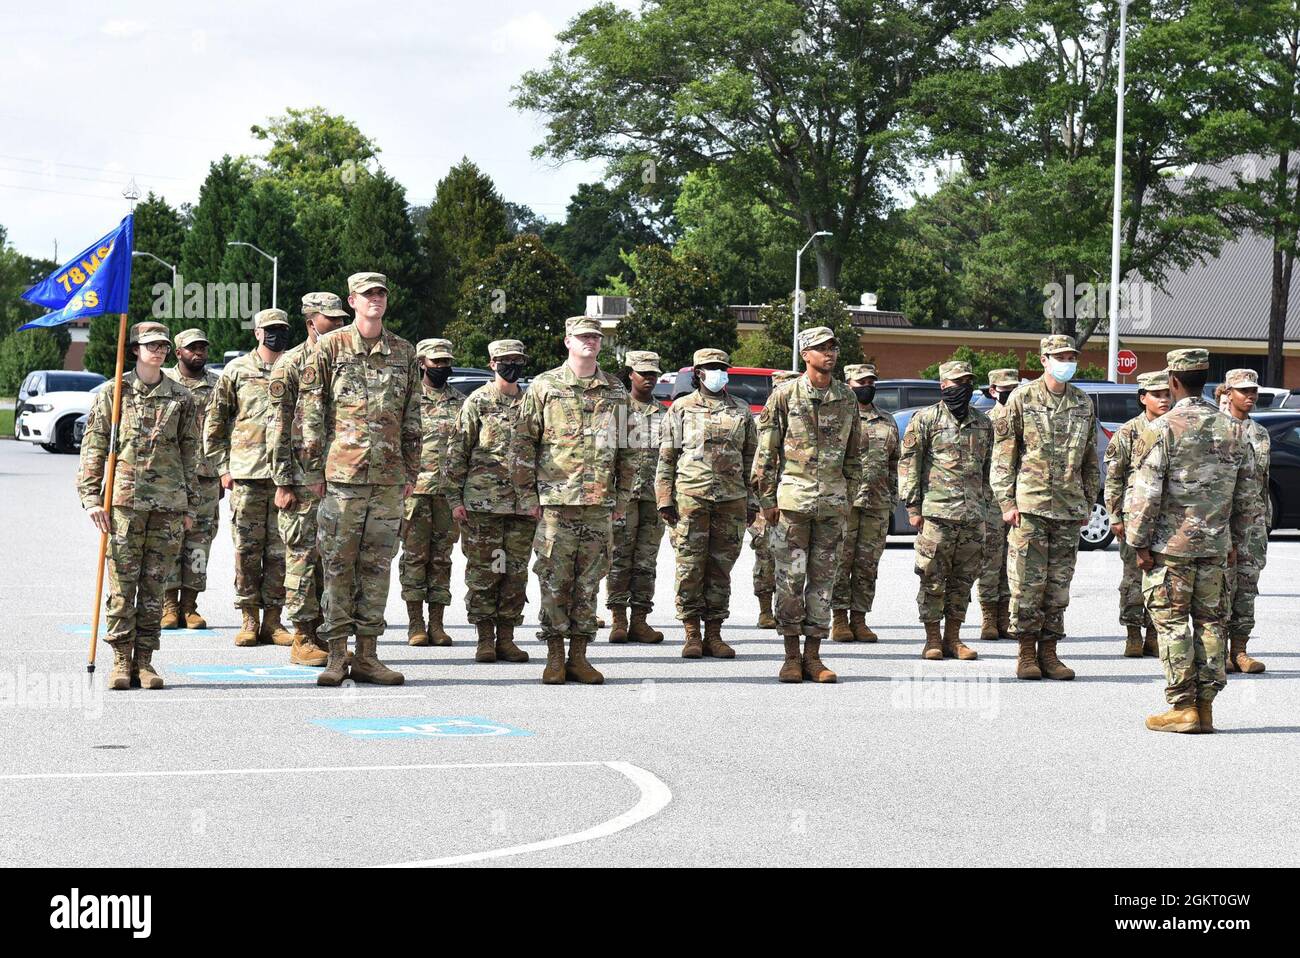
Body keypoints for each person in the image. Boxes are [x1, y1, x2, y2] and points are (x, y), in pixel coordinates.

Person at [1125, 350, 1258, 733]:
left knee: (1171, 625)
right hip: (1216, 547)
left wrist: (1139, 543)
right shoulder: (1234, 429)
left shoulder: (1163, 428)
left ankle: (1183, 706)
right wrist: (1235, 540)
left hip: (1172, 549)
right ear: (1206, 379)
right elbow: (1248, 496)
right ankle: (1206, 707)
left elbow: (1147, 493)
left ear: (1173, 381)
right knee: (1212, 623)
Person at [299, 272, 422, 687]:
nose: (376, 300)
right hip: (342, 478)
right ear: (352, 301)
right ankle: (336, 654)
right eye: (368, 295)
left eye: (381, 294)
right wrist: (313, 471)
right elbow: (311, 413)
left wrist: (411, 470)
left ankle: (368, 654)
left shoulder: (404, 352)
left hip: (388, 480)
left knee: (376, 566)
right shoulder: (331, 348)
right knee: (337, 565)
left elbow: (412, 417)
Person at [77, 322, 199, 689]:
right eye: (151, 345)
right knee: (122, 585)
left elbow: (191, 454)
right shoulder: (114, 393)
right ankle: (119, 659)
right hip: (124, 507)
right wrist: (90, 498)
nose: (159, 350)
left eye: (163, 345)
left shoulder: (181, 397)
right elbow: (94, 447)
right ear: (135, 349)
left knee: (154, 588)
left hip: (167, 507)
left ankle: (144, 661)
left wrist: (191, 506)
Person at [517, 316, 634, 685]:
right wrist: (526, 495)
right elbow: (522, 443)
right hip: (556, 502)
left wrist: (623, 497)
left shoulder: (616, 390)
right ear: (567, 340)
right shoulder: (545, 386)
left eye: (596, 338)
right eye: (583, 337)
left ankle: (580, 655)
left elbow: (630, 449)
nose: (591, 342)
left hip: (599, 503)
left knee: (589, 581)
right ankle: (554, 655)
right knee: (553, 579)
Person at [752, 327, 861, 684]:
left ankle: (814, 656)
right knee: (789, 580)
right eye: (820, 348)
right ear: (805, 354)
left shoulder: (847, 398)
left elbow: (854, 456)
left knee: (823, 582)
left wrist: (848, 496)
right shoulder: (783, 397)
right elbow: (766, 454)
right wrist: (767, 501)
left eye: (833, 347)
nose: (829, 354)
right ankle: (790, 657)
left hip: (831, 507)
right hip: (793, 506)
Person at [990, 335, 1100, 680]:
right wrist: (1006, 502)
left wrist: (1087, 500)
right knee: (1026, 583)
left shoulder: (1083, 402)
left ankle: (1050, 652)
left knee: (1058, 585)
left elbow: (1089, 459)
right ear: (1044, 360)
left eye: (1072, 355)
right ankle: (1026, 653)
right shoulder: (1022, 399)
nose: (1068, 361)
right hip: (1031, 506)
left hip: (1068, 509)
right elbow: (1003, 456)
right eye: (1061, 356)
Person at [657, 348, 757, 658]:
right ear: (699, 373)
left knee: (720, 568)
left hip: (731, 500)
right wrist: (664, 498)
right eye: (712, 367)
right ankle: (691, 634)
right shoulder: (681, 408)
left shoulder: (741, 410)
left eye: (722, 367)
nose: (718, 372)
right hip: (691, 498)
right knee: (690, 566)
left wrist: (752, 500)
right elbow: (667, 456)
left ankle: (714, 633)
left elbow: (751, 458)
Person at [267, 292, 351, 667]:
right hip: (301, 479)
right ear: (310, 321)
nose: (336, 324)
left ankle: (327, 633)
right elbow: (278, 426)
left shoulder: (346, 358)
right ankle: (302, 635)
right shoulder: (291, 364)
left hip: (340, 476)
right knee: (302, 554)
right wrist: (283, 481)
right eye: (329, 319)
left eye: (339, 318)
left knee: (335, 557)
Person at [206, 308, 293, 647]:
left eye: (281, 329)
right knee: (246, 550)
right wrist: (222, 467)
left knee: (281, 551)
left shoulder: (295, 367)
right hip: (247, 474)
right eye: (270, 329)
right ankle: (248, 617)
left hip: (286, 475)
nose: (275, 334)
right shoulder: (237, 370)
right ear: (257, 332)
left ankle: (274, 620)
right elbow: (215, 421)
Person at [445, 339, 536, 664]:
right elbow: (457, 452)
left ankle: (507, 638)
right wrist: (454, 497)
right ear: (492, 362)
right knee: (485, 572)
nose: (511, 365)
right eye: (505, 360)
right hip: (482, 506)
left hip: (523, 507)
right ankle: (485, 638)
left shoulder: (531, 405)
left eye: (517, 360)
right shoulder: (478, 402)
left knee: (514, 574)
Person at [897, 361, 991, 660]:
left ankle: (954, 637)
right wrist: (913, 507)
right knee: (932, 578)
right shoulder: (925, 419)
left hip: (972, 515)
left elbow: (989, 470)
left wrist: (987, 507)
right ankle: (932, 639)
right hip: (936, 514)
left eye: (967, 383)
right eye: (956, 383)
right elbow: (910, 464)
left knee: (964, 580)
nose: (961, 388)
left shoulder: (983, 423)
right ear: (943, 385)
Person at [398, 338, 465, 650]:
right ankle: (415, 623)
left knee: (442, 560)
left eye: (446, 362)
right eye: (436, 362)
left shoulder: (460, 402)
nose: (442, 367)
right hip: (415, 493)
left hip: (447, 494)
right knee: (414, 559)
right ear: (421, 363)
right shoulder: (408, 400)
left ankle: (437, 624)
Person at [1103, 370, 1170, 657]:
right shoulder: (1128, 432)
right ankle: (1133, 633)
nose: (1164, 399)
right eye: (1157, 394)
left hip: (1169, 517)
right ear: (1143, 398)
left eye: (1167, 394)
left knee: (1163, 579)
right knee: (1133, 577)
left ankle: (1154, 634)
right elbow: (1113, 477)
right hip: (1134, 516)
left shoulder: (1175, 428)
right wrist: (1115, 516)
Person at [832, 362, 899, 643]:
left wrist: (893, 497)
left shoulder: (886, 420)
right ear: (848, 385)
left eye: (871, 381)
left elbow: (895, 462)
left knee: (867, 564)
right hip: (845, 504)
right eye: (861, 382)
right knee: (840, 561)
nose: (866, 386)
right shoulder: (838, 418)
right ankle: (838, 619)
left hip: (877, 503)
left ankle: (859, 619)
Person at [161, 328, 221, 631]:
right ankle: (168, 605)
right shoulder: (165, 383)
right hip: (172, 476)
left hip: (207, 477)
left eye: (202, 348)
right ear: (178, 352)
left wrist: (225, 470)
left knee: (199, 544)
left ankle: (190, 606)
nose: (198, 353)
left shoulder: (217, 385)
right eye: (191, 348)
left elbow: (229, 427)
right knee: (171, 540)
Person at [607, 350, 667, 644]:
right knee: (619, 556)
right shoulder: (617, 411)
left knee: (646, 560)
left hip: (653, 497)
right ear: (630, 373)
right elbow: (605, 456)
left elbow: (673, 458)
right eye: (644, 373)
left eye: (654, 374)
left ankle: (640, 620)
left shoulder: (665, 414)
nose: (649, 379)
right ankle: (618, 618)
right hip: (623, 496)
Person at [1221, 368, 1271, 674]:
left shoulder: (1260, 434)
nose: (1250, 396)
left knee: (1247, 590)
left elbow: (1264, 482)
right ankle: (1218, 652)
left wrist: (1265, 525)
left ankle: (1240, 650)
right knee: (1220, 590)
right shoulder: (1217, 431)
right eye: (1243, 391)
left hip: (1253, 527)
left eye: (1253, 391)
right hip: (1222, 525)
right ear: (1228, 393)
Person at [749, 368, 800, 629]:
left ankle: (790, 608)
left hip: (795, 499)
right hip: (765, 501)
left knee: (795, 558)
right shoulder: (760, 423)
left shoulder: (803, 423)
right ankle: (765, 609)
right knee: (766, 556)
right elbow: (751, 462)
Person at [975, 368, 1019, 640]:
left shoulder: (1026, 419)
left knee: (1014, 560)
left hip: (1020, 499)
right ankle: (989, 616)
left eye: (1015, 388)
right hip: (991, 501)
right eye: (1006, 389)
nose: (1011, 393)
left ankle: (1007, 614)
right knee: (991, 559)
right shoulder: (985, 423)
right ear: (993, 391)